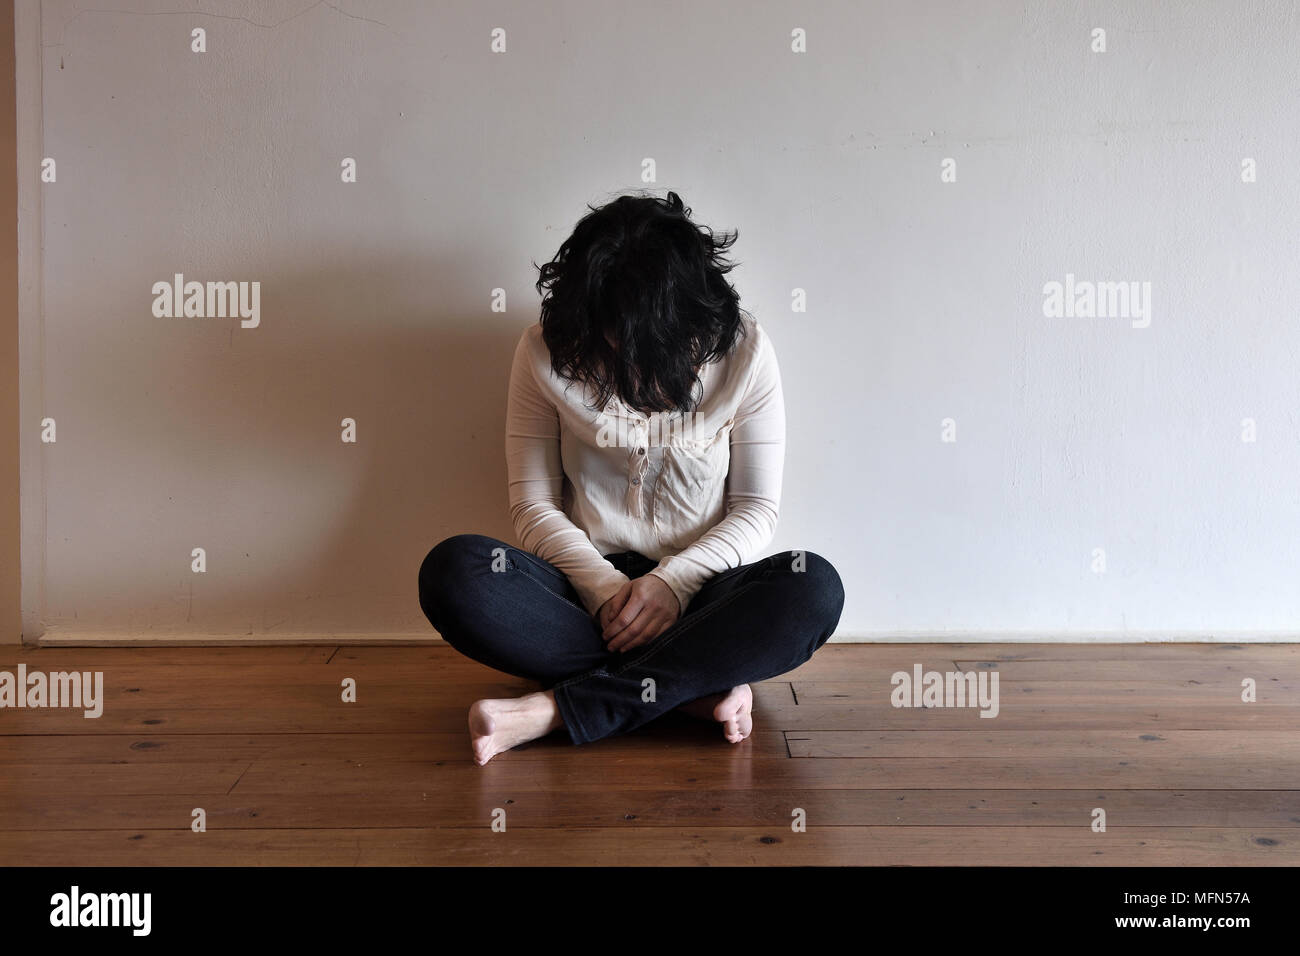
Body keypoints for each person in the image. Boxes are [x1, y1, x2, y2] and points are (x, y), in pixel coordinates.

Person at [418, 190, 844, 765]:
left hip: (703, 594)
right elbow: (533, 505)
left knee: (811, 587)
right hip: (580, 589)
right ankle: (688, 691)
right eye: (616, 344)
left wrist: (674, 585)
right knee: (454, 572)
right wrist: (604, 592)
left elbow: (755, 508)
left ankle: (551, 711)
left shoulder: (745, 353)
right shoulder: (543, 352)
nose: (632, 364)